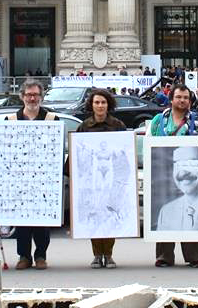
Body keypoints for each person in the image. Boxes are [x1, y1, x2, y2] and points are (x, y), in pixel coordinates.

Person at [148, 84, 198, 268]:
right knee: (169, 214)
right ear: (171, 99)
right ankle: (164, 256)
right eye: (178, 97)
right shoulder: (158, 121)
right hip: (175, 184)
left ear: (190, 101)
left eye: (185, 97)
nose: (182, 100)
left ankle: (195, 257)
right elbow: (150, 146)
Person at [5, 80, 57, 270]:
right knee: (22, 220)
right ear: (22, 96)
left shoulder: (52, 119)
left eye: (35, 94)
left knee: (42, 221)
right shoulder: (11, 120)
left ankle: (41, 255)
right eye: (28, 95)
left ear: (41, 97)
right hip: (19, 180)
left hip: (44, 179)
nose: (32, 98)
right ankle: (24, 256)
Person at [76, 89, 127, 268]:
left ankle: (109, 254)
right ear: (91, 104)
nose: (100, 105)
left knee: (109, 209)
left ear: (108, 104)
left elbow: (123, 151)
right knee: (95, 208)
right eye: (97, 102)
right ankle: (97, 254)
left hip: (111, 174)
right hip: (92, 175)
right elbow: (78, 154)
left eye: (103, 102)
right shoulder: (84, 126)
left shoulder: (118, 125)